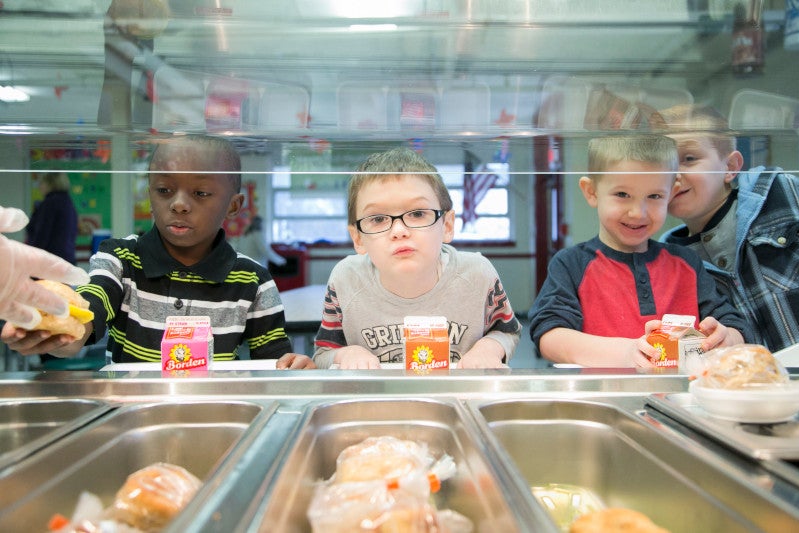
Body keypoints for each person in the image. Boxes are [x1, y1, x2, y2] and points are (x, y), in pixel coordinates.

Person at [1, 135, 314, 369]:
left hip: (215, 412)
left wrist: (295, 366)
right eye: (164, 190)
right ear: (150, 194)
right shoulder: (120, 260)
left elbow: (274, 362)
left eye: (201, 193)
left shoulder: (253, 280)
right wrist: (63, 335)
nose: (178, 203)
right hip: (127, 414)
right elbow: (90, 308)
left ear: (233, 205)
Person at [529, 135, 750, 367]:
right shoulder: (571, 263)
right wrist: (627, 353)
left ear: (671, 194)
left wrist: (727, 338)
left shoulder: (686, 262)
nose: (638, 213)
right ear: (591, 192)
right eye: (622, 195)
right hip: (604, 397)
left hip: (680, 398)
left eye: (654, 196)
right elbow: (549, 335)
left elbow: (733, 323)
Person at [313, 147, 521, 369]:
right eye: (378, 219)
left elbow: (507, 331)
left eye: (418, 214)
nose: (399, 230)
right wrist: (345, 354)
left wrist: (488, 348)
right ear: (358, 238)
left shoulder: (478, 274)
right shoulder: (345, 279)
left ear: (447, 225)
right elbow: (324, 352)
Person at [659, 104, 799, 353]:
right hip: (751, 387)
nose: (674, 175)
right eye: (663, 165)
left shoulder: (781, 192)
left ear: (730, 166)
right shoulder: (671, 261)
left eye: (689, 159)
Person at [0, 205, 90, 329]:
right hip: (61, 259)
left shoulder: (48, 206)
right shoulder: (69, 206)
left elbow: (41, 235)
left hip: (44, 263)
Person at [26, 172, 79, 265]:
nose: (39, 187)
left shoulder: (50, 204)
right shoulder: (68, 202)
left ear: (50, 183)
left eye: (42, 183)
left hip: (49, 263)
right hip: (67, 260)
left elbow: (41, 235)